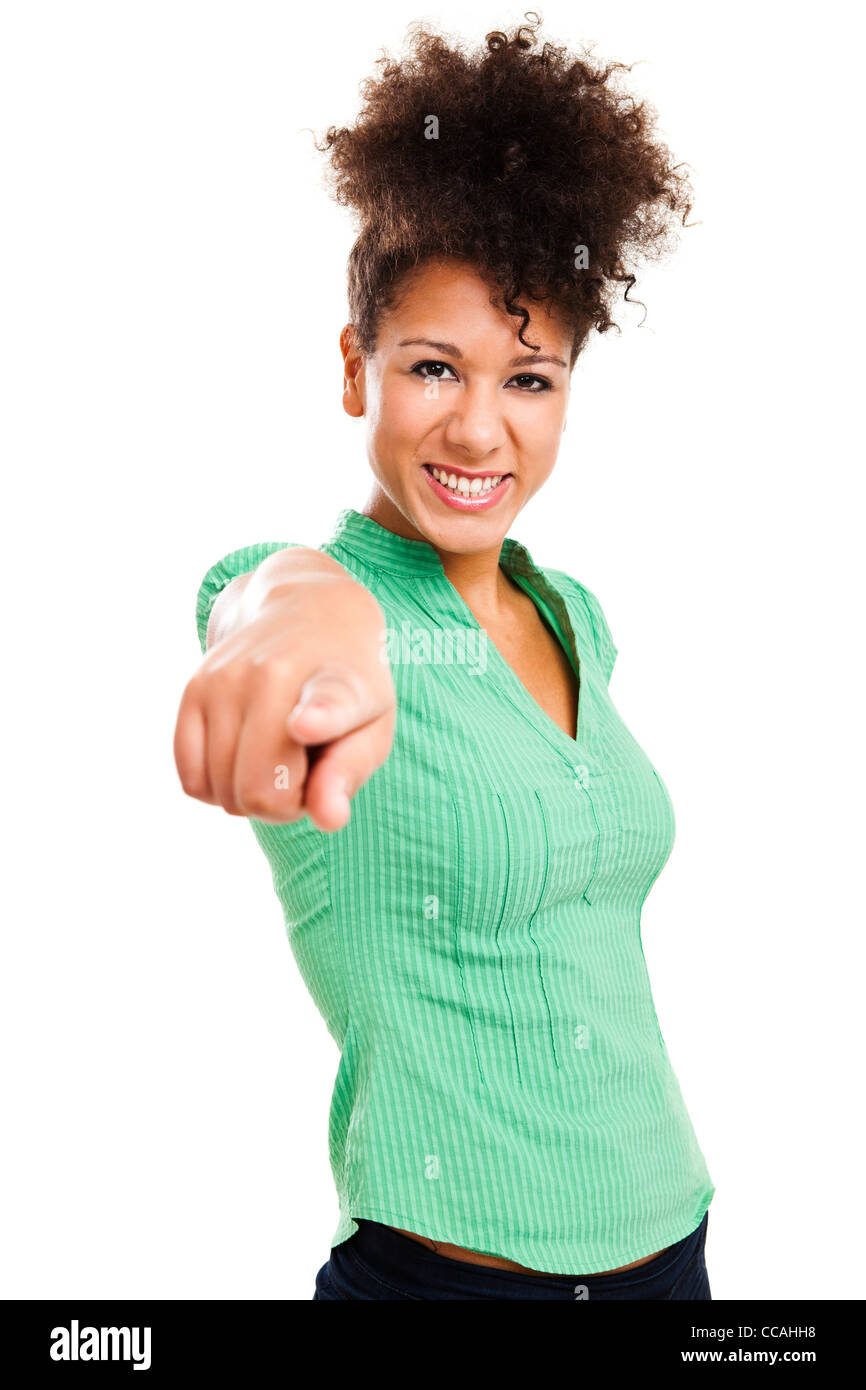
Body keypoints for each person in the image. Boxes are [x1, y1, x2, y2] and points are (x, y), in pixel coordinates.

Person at [174, 15, 715, 1300]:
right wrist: (295, 620)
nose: (478, 429)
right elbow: (272, 603)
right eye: (432, 367)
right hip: (451, 1279)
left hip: (674, 1247)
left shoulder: (573, 613)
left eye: (528, 379)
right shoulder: (321, 597)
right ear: (354, 367)